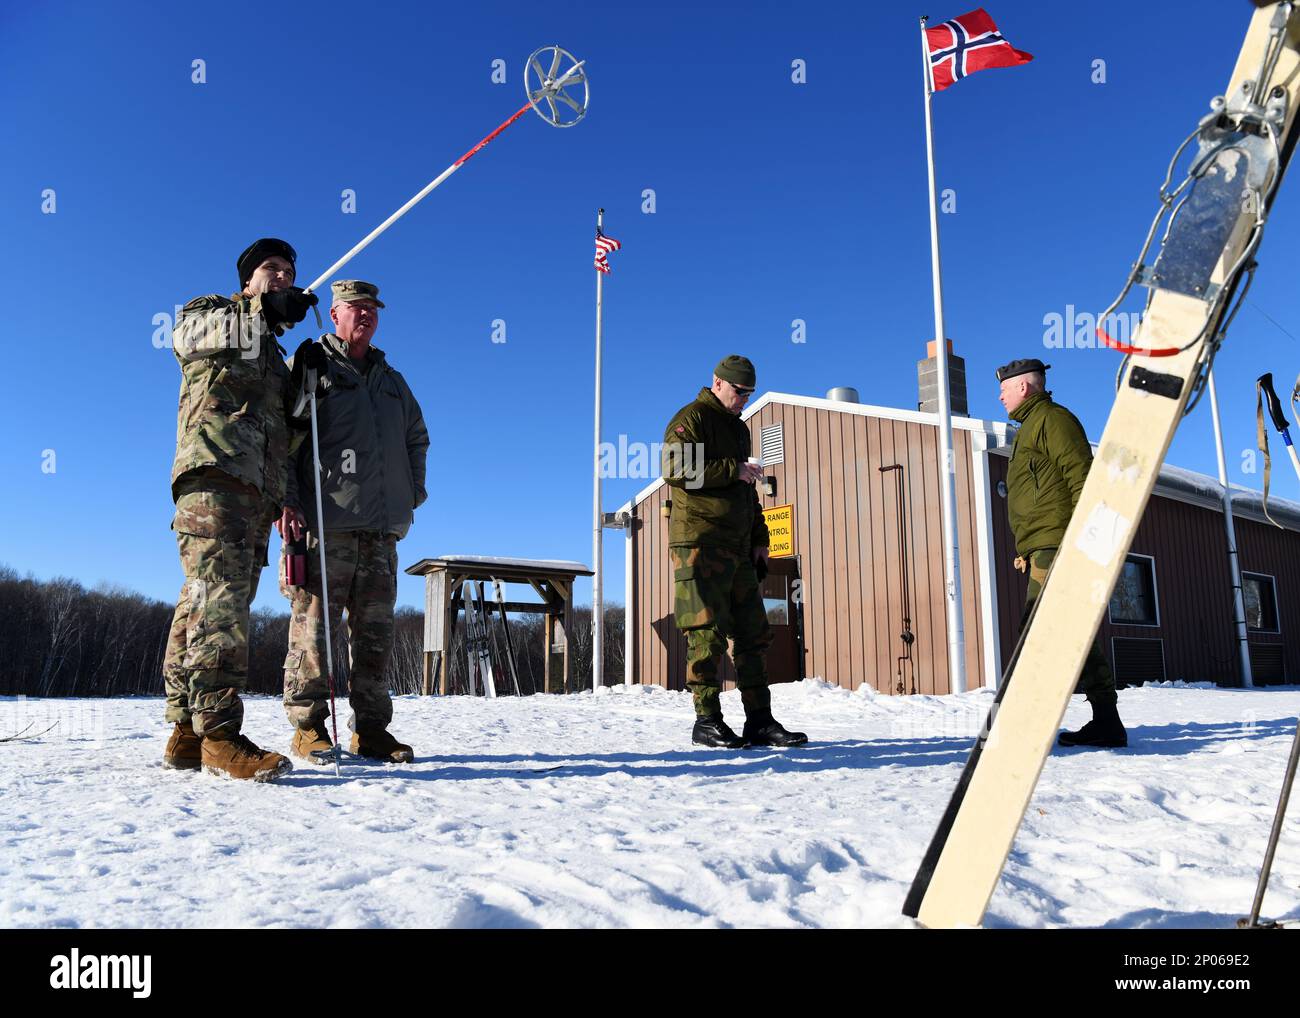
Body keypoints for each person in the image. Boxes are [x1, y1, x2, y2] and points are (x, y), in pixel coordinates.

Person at [161, 238, 318, 780]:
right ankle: (220, 734)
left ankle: (186, 728)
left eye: (289, 272)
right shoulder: (215, 314)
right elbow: (184, 339)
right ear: (249, 279)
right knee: (220, 604)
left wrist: (287, 497)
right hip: (215, 477)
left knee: (204, 602)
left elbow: (288, 435)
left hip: (257, 492)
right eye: (271, 269)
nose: (281, 277)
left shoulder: (274, 356)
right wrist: (259, 314)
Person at [279, 280, 429, 764]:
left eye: (371, 310)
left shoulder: (392, 381)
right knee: (314, 629)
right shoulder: (312, 367)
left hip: (381, 530)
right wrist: (289, 501)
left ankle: (371, 730)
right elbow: (283, 435)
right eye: (354, 308)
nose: (365, 316)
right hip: (328, 524)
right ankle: (308, 728)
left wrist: (413, 490)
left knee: (375, 635)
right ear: (335, 313)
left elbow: (417, 438)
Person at [661, 355, 807, 749]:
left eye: (749, 393)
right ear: (718, 382)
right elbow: (675, 469)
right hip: (700, 542)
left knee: (752, 635)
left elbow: (748, 493)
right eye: (739, 391)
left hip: (739, 548)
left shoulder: (738, 429)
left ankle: (759, 719)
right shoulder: (692, 418)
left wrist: (761, 540)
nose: (744, 399)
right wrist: (732, 470)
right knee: (705, 634)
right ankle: (706, 720)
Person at [997, 358, 1127, 748]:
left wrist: (1081, 539)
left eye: (1004, 388)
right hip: (1043, 546)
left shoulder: (1053, 420)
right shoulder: (1029, 428)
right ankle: (1106, 721)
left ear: (1023, 387)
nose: (999, 395)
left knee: (1038, 629)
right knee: (1070, 633)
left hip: (1058, 544)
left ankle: (1028, 721)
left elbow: (1081, 475)